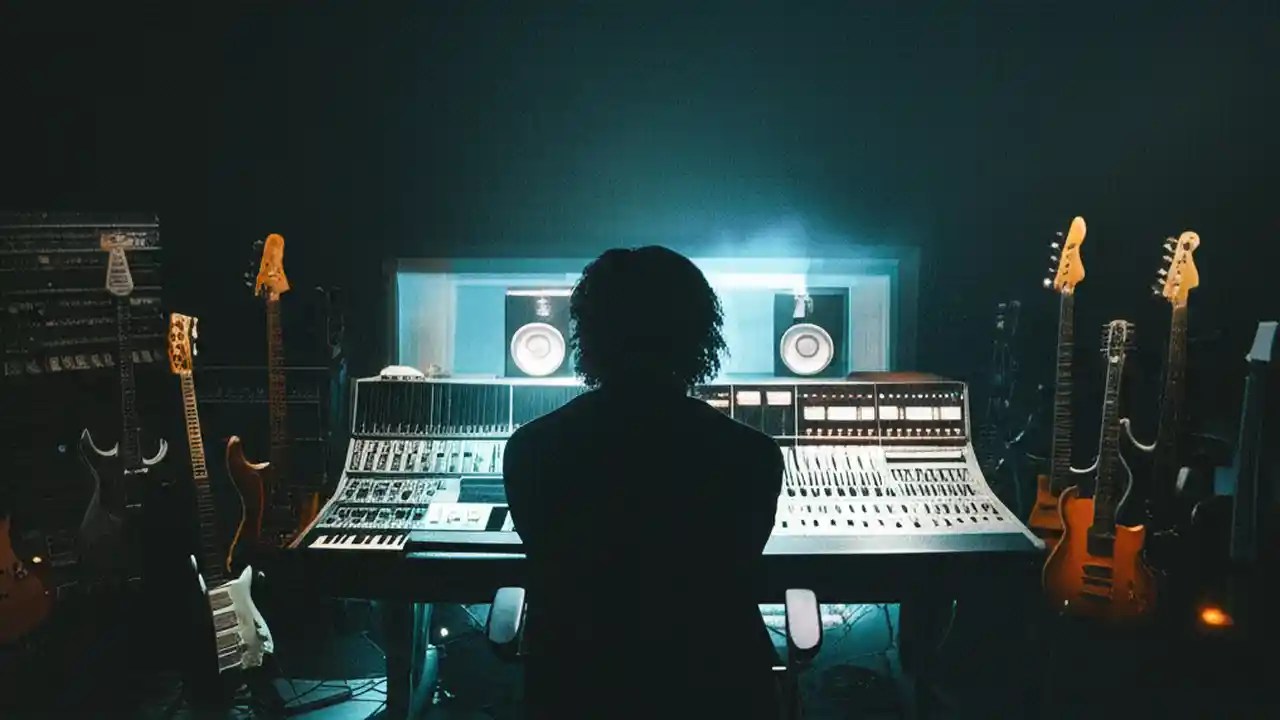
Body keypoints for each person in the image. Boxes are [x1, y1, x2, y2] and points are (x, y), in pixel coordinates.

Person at [503, 246, 785, 719]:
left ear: (589, 334)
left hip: (576, 690)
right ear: (699, 335)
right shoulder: (753, 455)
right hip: (717, 688)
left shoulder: (530, 449)